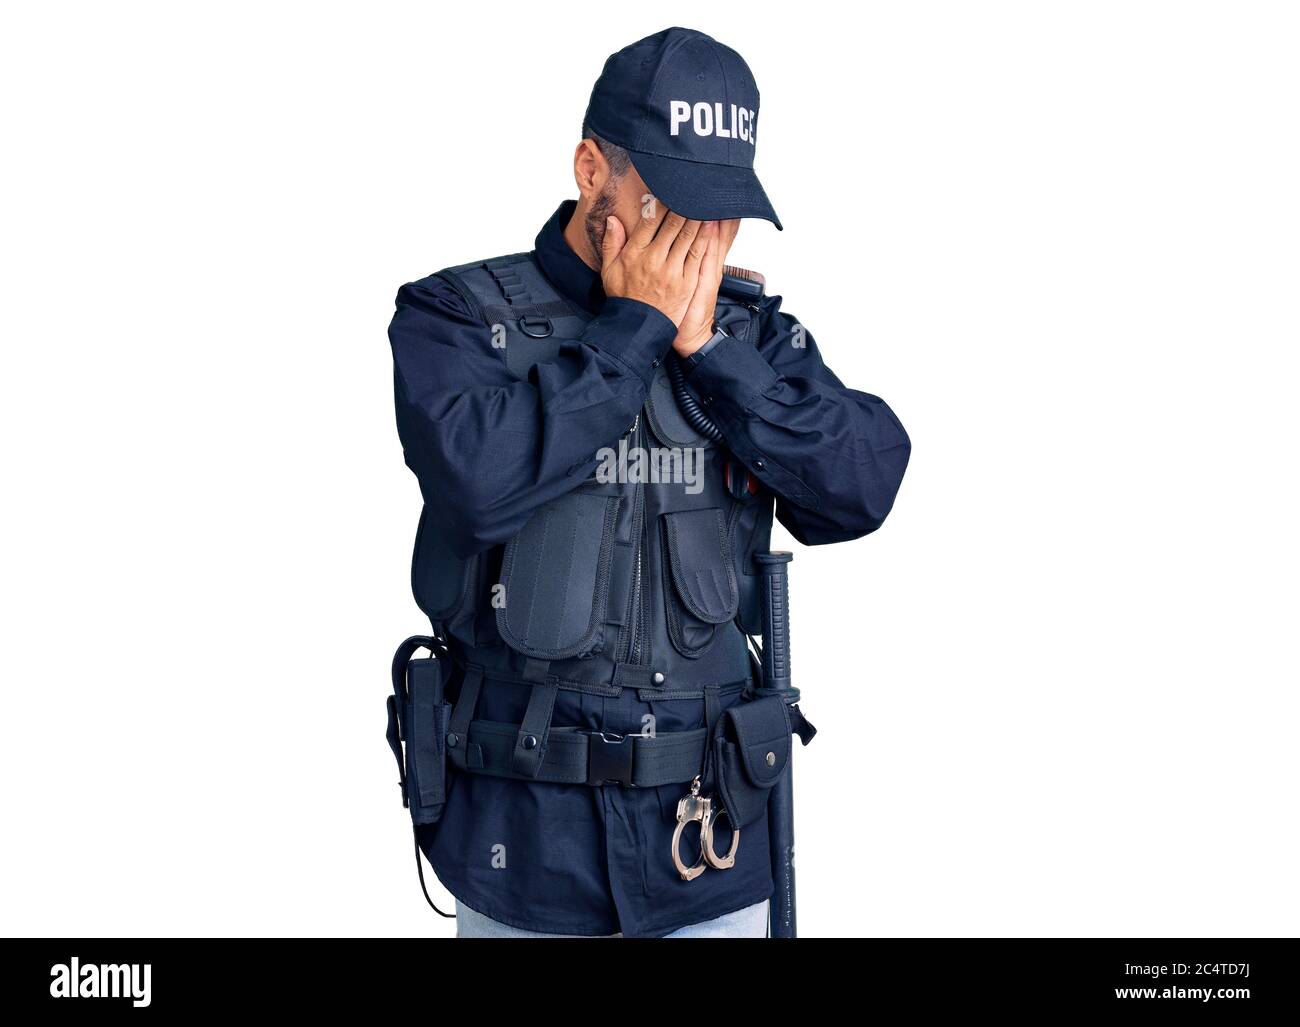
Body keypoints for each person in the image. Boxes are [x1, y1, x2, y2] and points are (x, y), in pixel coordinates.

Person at [386, 26, 910, 938]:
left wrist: (707, 353)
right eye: (673, 201)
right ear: (593, 170)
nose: (702, 238)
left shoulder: (745, 339)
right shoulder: (457, 318)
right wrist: (630, 331)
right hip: (524, 849)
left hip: (705, 846)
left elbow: (862, 483)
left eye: (724, 208)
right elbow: (477, 479)